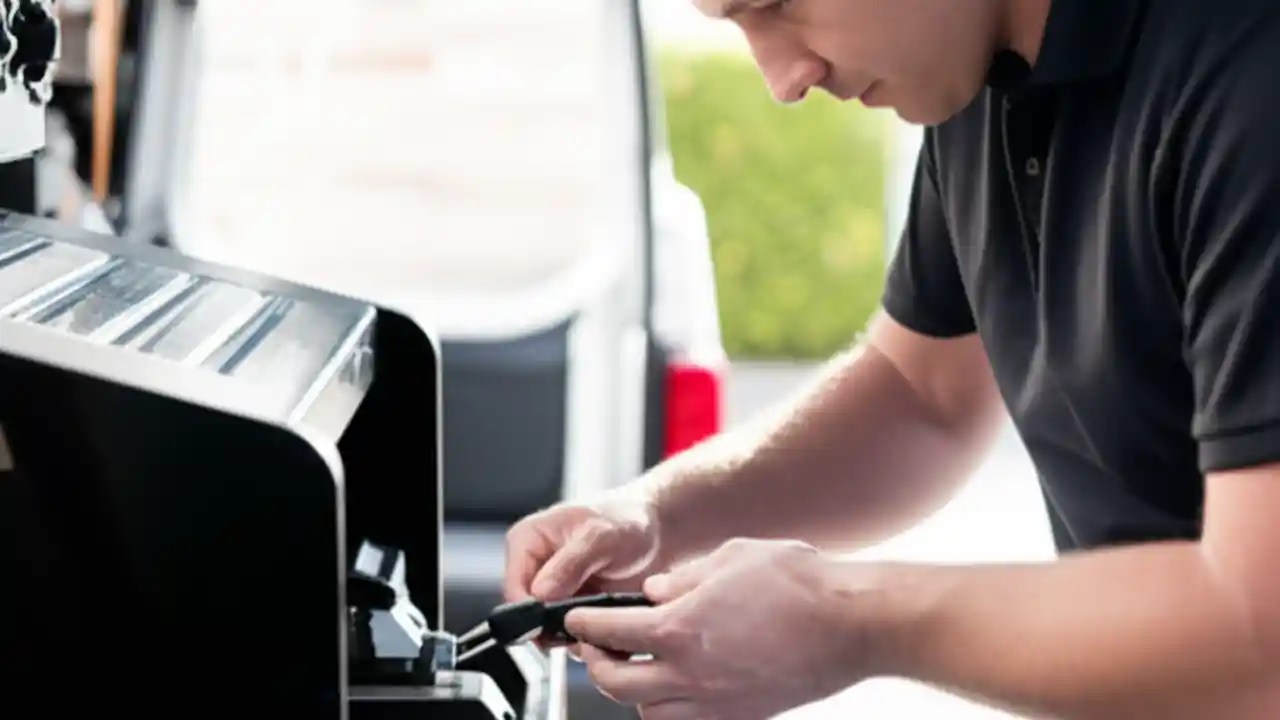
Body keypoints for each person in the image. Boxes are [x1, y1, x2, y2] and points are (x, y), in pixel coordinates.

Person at [502, 0, 1280, 717]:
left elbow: (1260, 633)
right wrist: (657, 515)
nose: (781, 80)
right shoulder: (974, 68)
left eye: (779, 3)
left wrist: (852, 618)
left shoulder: (1249, 77)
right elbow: (923, 395)